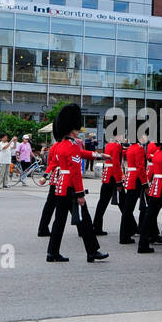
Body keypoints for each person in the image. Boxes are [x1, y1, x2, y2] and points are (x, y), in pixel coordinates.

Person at [45, 103, 108, 264]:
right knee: (84, 220)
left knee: (59, 221)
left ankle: (52, 252)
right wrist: (80, 194)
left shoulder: (61, 145)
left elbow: (82, 153)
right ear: (73, 128)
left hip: (60, 187)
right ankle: (92, 251)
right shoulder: (72, 146)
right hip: (71, 188)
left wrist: (99, 156)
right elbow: (75, 173)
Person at [92, 137, 124, 236]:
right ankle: (131, 227)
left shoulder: (109, 144)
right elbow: (116, 163)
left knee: (102, 203)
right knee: (123, 203)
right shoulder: (117, 145)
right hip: (113, 176)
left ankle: (96, 226)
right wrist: (119, 181)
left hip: (107, 175)